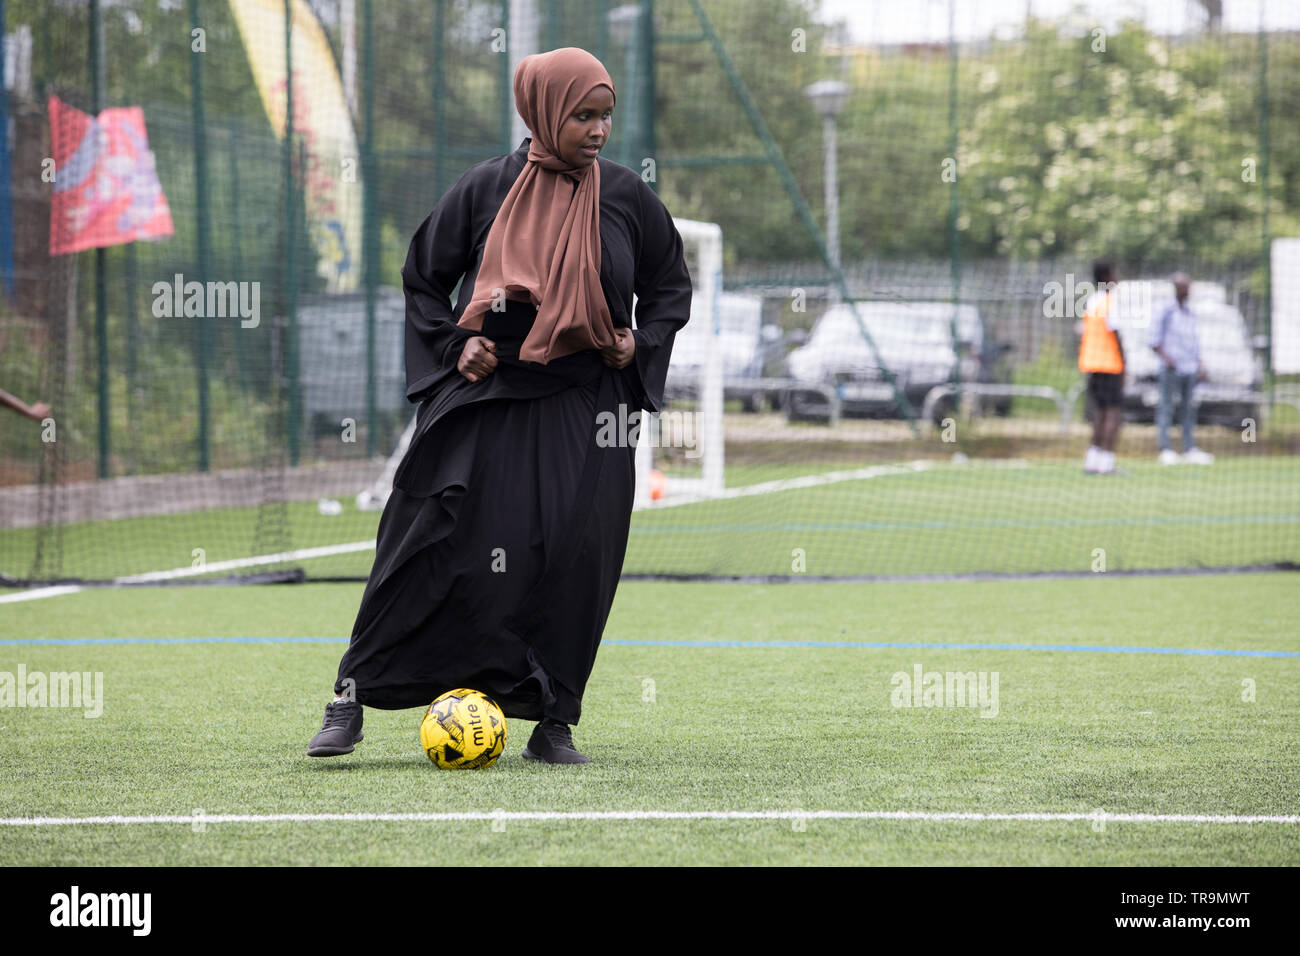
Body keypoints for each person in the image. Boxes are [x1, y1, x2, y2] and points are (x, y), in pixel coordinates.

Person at [307, 48, 692, 764]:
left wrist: (637, 344)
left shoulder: (628, 198)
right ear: (544, 110)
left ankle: (552, 720)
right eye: (583, 115)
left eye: (606, 116)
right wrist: (457, 347)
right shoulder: (484, 188)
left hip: (586, 406)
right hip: (483, 394)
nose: (599, 130)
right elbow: (423, 280)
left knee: (574, 557)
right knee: (424, 539)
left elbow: (671, 288)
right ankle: (351, 697)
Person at [1150, 273, 1213, 465]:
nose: (1188, 291)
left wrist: (1200, 365)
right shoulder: (1165, 310)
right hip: (1171, 369)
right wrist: (1168, 360)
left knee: (1188, 409)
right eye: (1185, 287)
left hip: (1190, 368)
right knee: (1166, 408)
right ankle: (1166, 449)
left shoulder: (1190, 311)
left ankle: (1189, 448)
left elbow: (1194, 342)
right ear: (1177, 288)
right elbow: (1153, 340)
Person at [1078, 260, 1124, 475]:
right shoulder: (1110, 302)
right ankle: (1106, 463)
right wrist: (1125, 364)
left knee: (1100, 414)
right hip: (1110, 364)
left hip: (1091, 363)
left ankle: (1092, 460)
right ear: (1107, 276)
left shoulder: (1092, 300)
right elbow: (1115, 334)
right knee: (1112, 414)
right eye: (1114, 272)